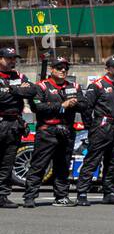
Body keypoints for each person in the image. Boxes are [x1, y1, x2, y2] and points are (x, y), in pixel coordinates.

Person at [23, 57, 82, 208]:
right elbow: (38, 107)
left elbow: (85, 104)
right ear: (52, 69)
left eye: (65, 68)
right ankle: (30, 196)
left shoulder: (74, 86)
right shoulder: (41, 86)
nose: (63, 70)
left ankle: (61, 196)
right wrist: (61, 105)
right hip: (47, 131)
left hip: (67, 131)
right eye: (59, 67)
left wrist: (76, 104)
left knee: (63, 165)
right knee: (39, 165)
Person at [75, 56, 114, 205]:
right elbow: (86, 108)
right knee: (93, 160)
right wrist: (91, 126)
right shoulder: (97, 85)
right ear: (107, 68)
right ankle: (82, 193)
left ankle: (108, 193)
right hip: (102, 126)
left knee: (112, 161)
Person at [0, 46, 36, 209]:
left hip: (14, 123)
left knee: (8, 162)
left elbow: (32, 91)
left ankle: (2, 196)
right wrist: (18, 92)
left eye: (14, 58)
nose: (12, 61)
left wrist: (12, 90)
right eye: (9, 58)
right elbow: (2, 99)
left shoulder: (19, 76)